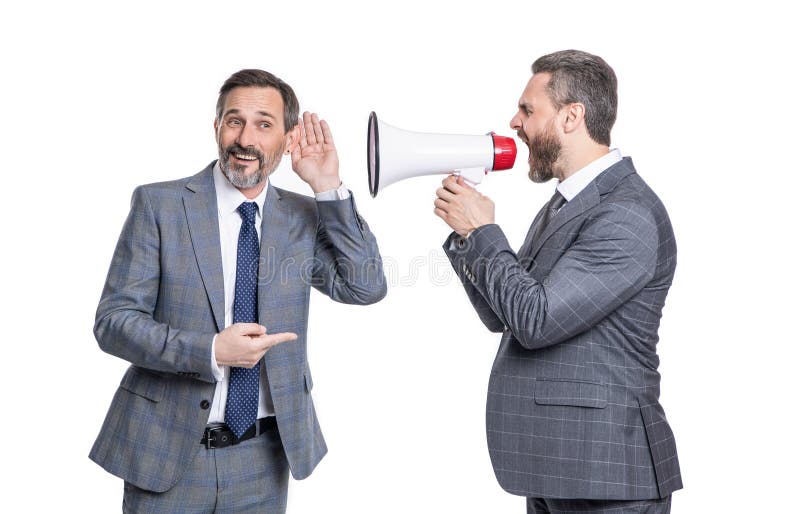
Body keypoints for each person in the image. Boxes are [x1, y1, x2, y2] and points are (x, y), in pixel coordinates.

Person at [90, 69, 387, 513]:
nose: (245, 138)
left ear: (288, 139)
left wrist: (327, 187)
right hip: (168, 453)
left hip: (264, 459)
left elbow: (364, 286)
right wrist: (209, 350)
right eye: (234, 121)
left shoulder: (301, 216)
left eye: (264, 124)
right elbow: (114, 323)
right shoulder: (160, 205)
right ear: (216, 128)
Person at [434, 50, 682, 513]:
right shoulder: (565, 204)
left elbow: (537, 321)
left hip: (606, 477)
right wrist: (469, 235)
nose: (514, 122)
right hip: (557, 466)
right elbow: (501, 313)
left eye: (528, 110)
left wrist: (484, 233)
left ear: (572, 117)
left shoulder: (626, 214)